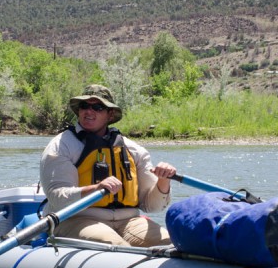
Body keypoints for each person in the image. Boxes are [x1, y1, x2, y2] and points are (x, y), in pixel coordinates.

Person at [40, 85, 176, 247]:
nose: (89, 111)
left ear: (110, 114)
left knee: (172, 244)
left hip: (129, 220)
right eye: (84, 106)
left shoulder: (134, 150)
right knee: (118, 247)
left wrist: (163, 182)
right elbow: (57, 198)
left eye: (97, 107)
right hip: (75, 218)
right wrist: (96, 189)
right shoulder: (61, 146)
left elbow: (152, 206)